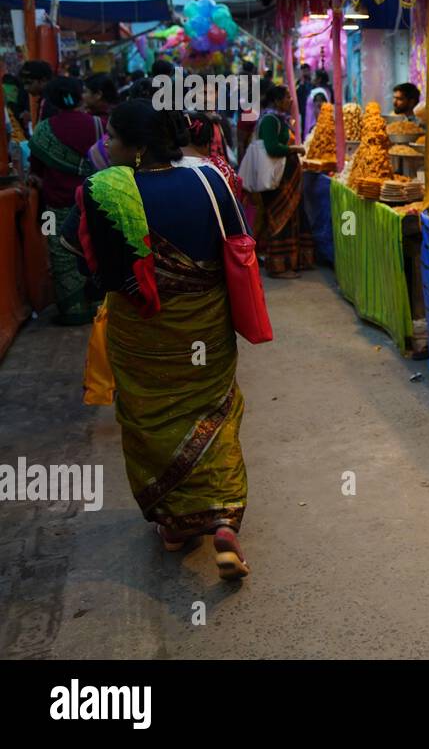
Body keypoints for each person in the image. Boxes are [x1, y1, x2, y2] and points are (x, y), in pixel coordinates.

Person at [58, 99, 252, 579]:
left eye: (114, 138)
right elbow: (240, 243)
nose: (108, 145)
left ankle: (175, 524)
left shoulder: (101, 192)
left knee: (149, 418)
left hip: (141, 333)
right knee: (215, 408)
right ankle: (223, 518)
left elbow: (81, 260)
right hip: (205, 324)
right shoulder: (211, 180)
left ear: (139, 147)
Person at [27, 76, 102, 324]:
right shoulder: (97, 124)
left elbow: (35, 170)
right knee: (95, 248)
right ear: (80, 95)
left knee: (60, 253)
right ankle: (100, 303)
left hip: (56, 205)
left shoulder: (43, 131)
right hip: (94, 201)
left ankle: (73, 310)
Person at [256, 84, 313, 278]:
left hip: (286, 179)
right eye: (288, 97)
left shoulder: (279, 119)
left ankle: (294, 261)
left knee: (291, 219)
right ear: (278, 100)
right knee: (280, 220)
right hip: (277, 180)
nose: (291, 100)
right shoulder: (270, 120)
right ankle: (279, 267)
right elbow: (272, 147)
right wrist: (294, 149)